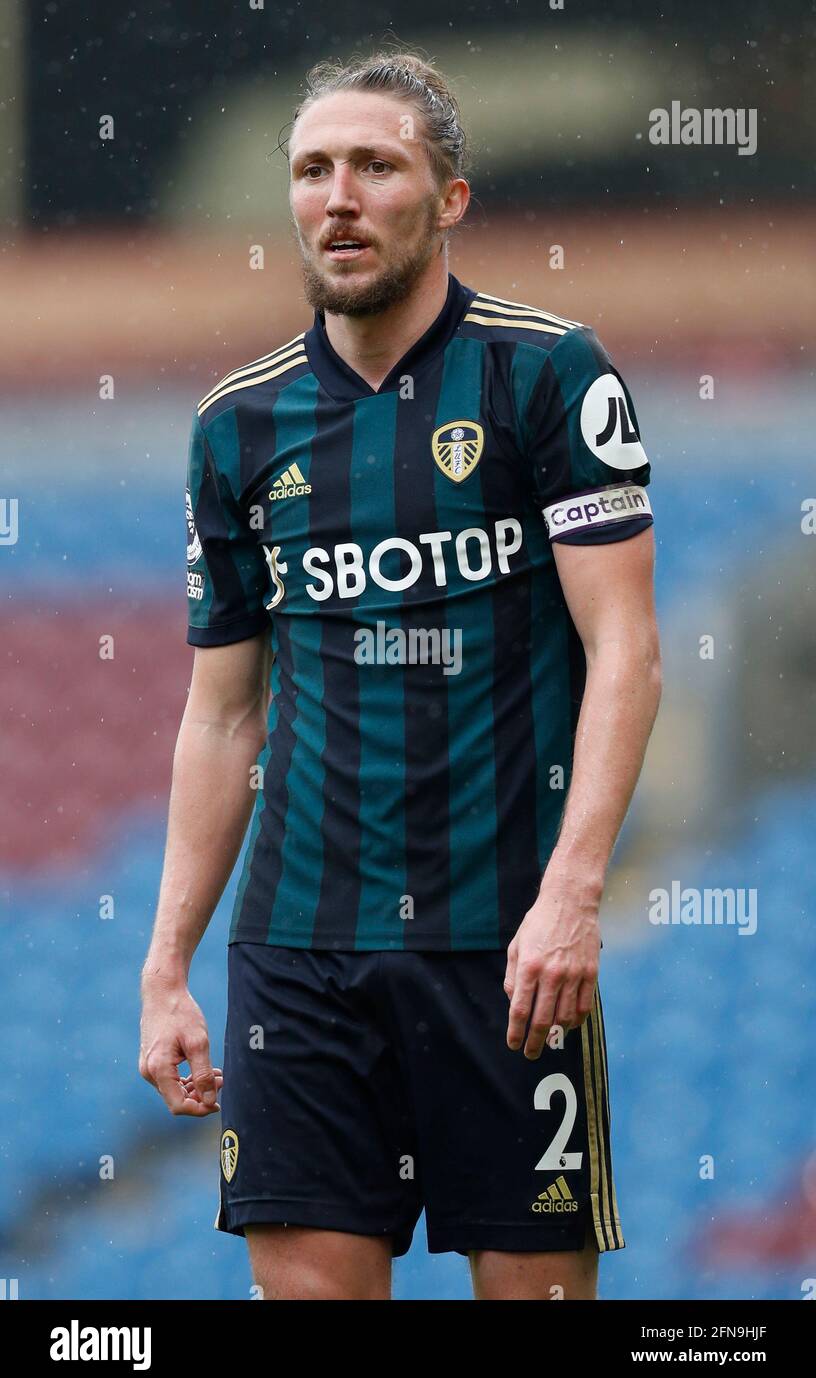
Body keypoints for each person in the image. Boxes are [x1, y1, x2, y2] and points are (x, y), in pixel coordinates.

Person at [139, 48, 662, 1301]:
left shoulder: (549, 374)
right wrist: (166, 964)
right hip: (299, 954)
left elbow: (628, 650)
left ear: (451, 198)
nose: (339, 197)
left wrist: (576, 891)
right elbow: (221, 718)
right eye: (313, 169)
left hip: (509, 947)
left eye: (377, 166)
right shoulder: (237, 426)